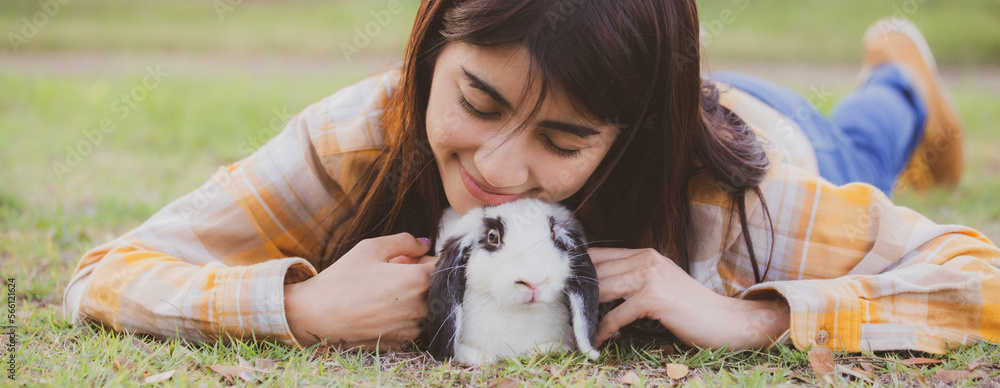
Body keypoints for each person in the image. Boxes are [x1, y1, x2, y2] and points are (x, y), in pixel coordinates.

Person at [64, 0, 998, 355]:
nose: (501, 169)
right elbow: (107, 273)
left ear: (624, 141)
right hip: (658, 79)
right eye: (477, 100)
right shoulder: (361, 137)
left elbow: (980, 280)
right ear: (431, 50)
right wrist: (302, 307)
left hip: (764, 129)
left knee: (863, 143)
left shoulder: (731, 199)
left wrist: (753, 317)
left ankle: (902, 80)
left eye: (563, 139)